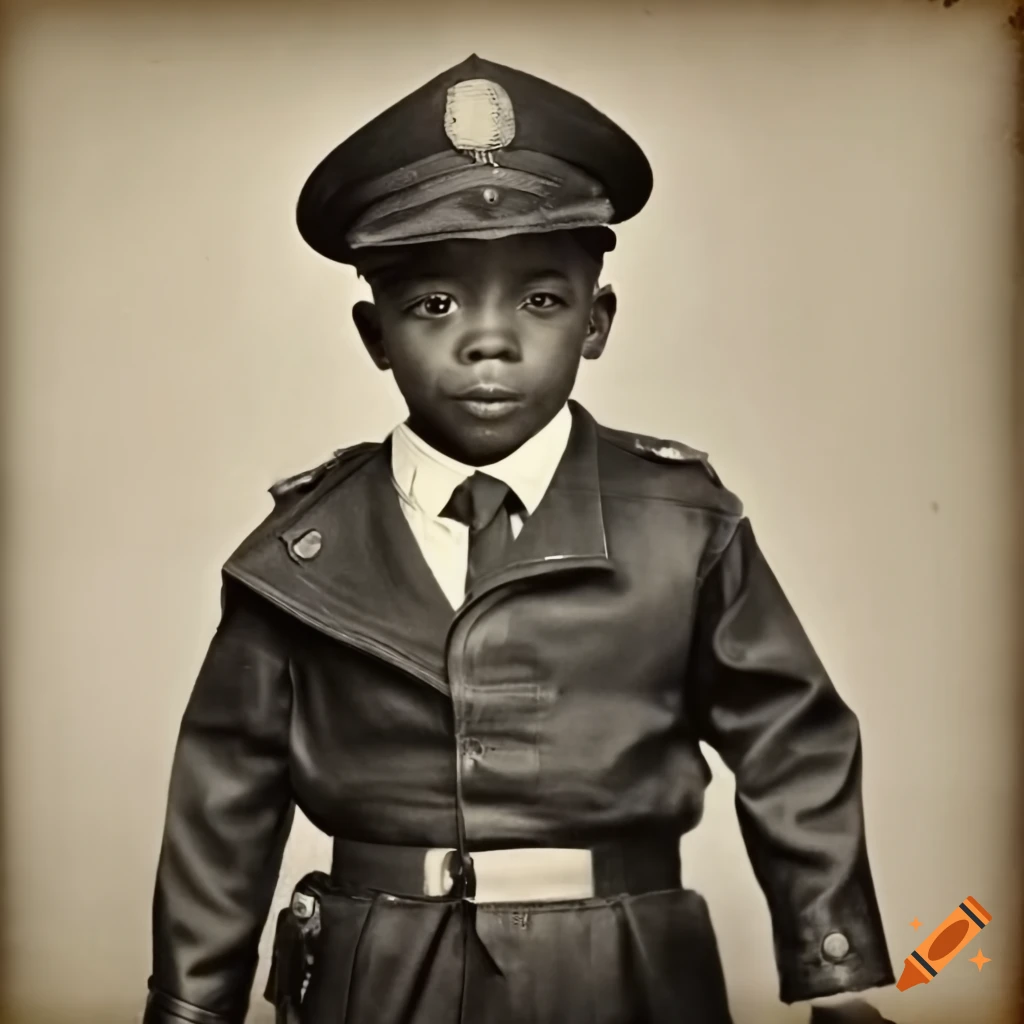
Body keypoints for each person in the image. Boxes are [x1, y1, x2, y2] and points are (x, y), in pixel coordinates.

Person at [141, 54, 896, 1024]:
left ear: (596, 319)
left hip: (625, 968)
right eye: (435, 304)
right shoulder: (298, 553)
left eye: (539, 300)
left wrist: (837, 975)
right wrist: (190, 1010)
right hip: (375, 975)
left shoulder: (682, 526)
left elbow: (794, 742)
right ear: (374, 334)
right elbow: (221, 808)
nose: (487, 341)